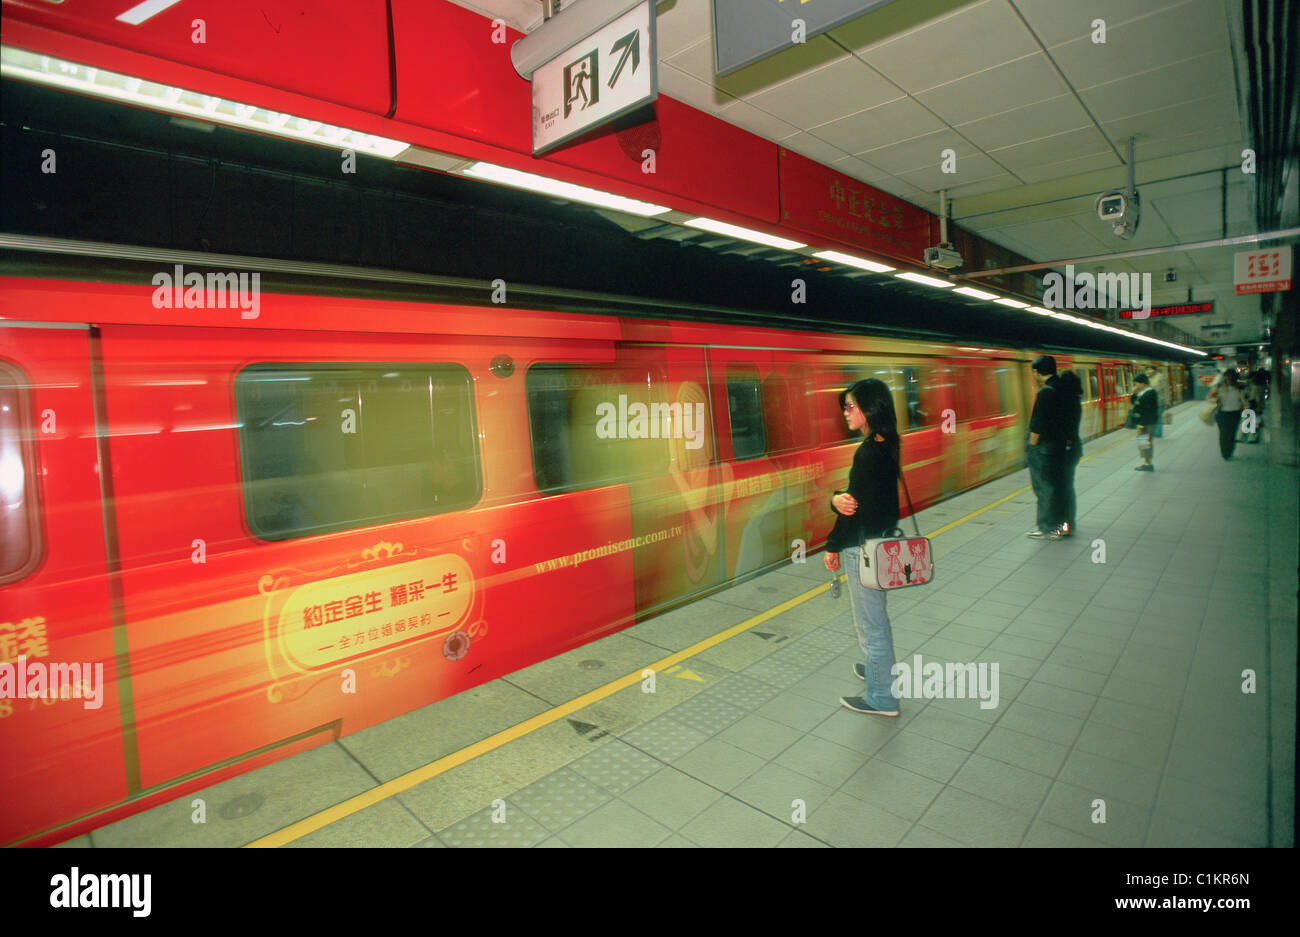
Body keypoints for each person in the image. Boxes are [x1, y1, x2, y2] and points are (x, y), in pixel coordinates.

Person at [823, 379, 901, 717]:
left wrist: (831, 546)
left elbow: (851, 509)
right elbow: (867, 499)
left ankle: (882, 697)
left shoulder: (867, 451)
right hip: (882, 543)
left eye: (851, 406)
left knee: (871, 622)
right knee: (873, 617)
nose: (845, 412)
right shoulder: (888, 443)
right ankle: (876, 670)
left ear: (869, 409)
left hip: (864, 548)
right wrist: (841, 498)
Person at [1025, 355, 1066, 540]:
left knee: (1044, 488)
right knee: (1057, 487)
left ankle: (1045, 527)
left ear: (1037, 372)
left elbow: (1038, 424)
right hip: (1059, 446)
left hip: (1045, 448)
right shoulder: (1063, 387)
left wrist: (1031, 446)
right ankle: (1062, 527)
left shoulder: (1045, 392)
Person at [1052, 369, 1083, 535]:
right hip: (1073, 449)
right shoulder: (1075, 401)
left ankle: (1065, 526)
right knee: (1067, 487)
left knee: (1064, 489)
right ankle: (1069, 522)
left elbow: (1062, 429)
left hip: (1066, 450)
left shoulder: (1066, 403)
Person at [1208, 369, 1248, 460]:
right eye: (1227, 377)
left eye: (1231, 377)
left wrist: (1244, 405)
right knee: (1224, 434)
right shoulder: (1219, 388)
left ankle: (1230, 451)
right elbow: (1209, 398)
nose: (1229, 379)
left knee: (1232, 434)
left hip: (1235, 414)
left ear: (1235, 378)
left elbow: (1244, 401)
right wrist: (1216, 400)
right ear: (1224, 378)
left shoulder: (1240, 388)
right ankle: (1225, 453)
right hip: (1222, 414)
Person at [1130, 372, 1158, 471]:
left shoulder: (1150, 393)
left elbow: (1147, 409)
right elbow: (1135, 404)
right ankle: (1146, 463)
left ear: (1143, 383)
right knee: (1143, 443)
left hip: (1147, 423)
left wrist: (1142, 423)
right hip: (1143, 422)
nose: (1135, 386)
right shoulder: (1143, 392)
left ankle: (1148, 464)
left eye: (1136, 384)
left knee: (1146, 443)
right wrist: (1134, 394)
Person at [1145, 365, 1168, 437]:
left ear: (1155, 370)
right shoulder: (1146, 378)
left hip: (1159, 401)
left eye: (1150, 369)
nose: (1148, 371)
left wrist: (1167, 401)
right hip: (1149, 403)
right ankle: (1152, 432)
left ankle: (1158, 433)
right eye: (1147, 369)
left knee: (1158, 418)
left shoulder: (1160, 377)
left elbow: (1166, 390)